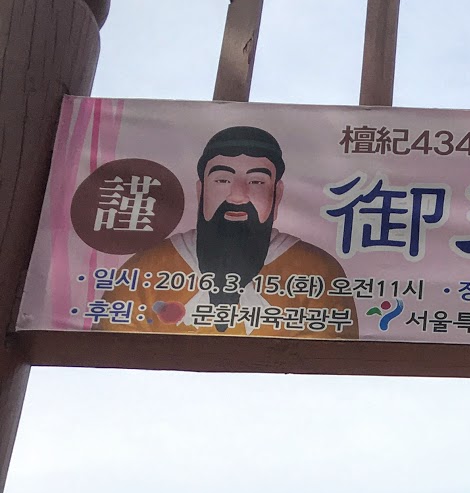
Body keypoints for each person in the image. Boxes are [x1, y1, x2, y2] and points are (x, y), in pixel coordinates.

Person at [100, 125, 357, 337]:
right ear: (201, 191)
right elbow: (113, 351)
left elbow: (330, 362)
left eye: (256, 181)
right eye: (222, 180)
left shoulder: (317, 271)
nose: (237, 195)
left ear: (277, 195)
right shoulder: (146, 269)